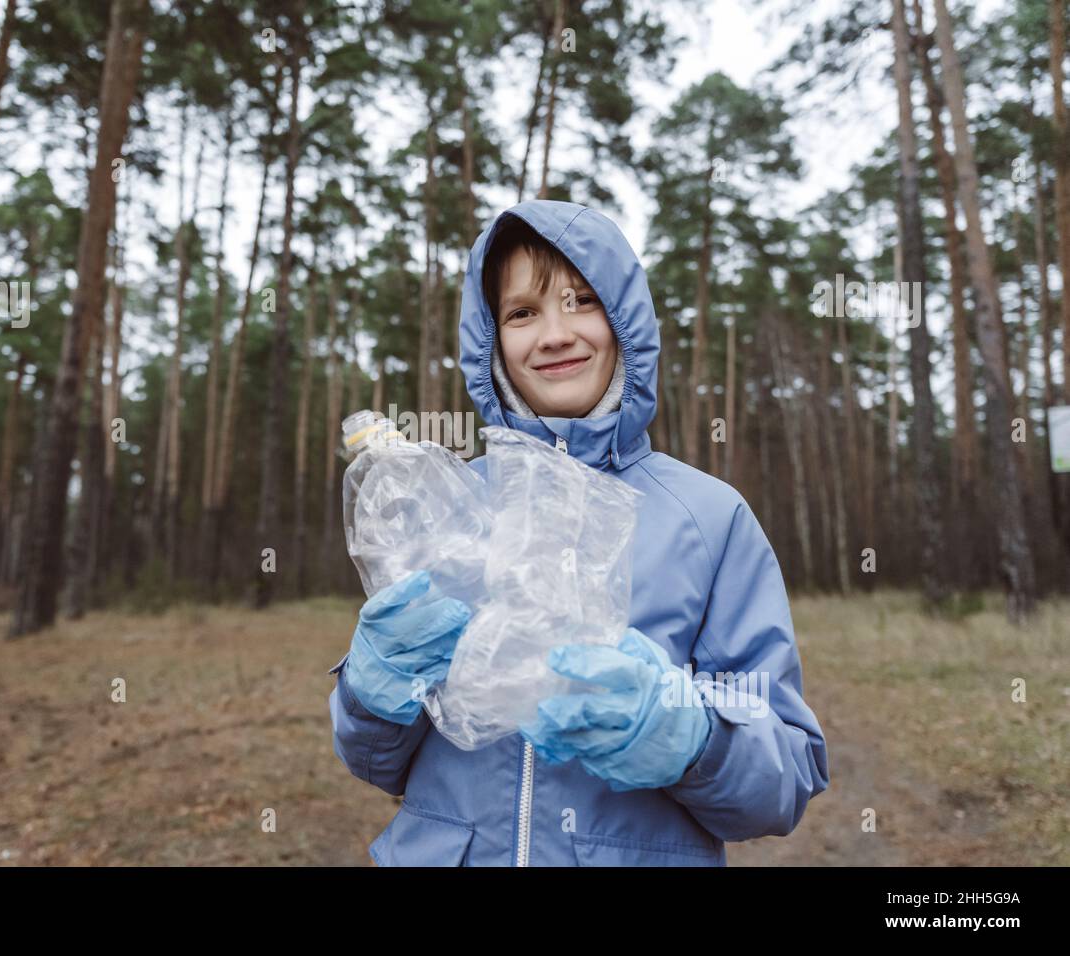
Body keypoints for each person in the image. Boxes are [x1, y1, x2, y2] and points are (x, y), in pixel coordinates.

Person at [327, 199, 829, 866]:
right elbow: (375, 764)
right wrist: (371, 690)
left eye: (582, 300)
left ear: (626, 322)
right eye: (522, 312)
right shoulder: (447, 508)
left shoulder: (710, 518)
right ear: (491, 340)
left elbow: (784, 779)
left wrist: (691, 736)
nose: (555, 333)